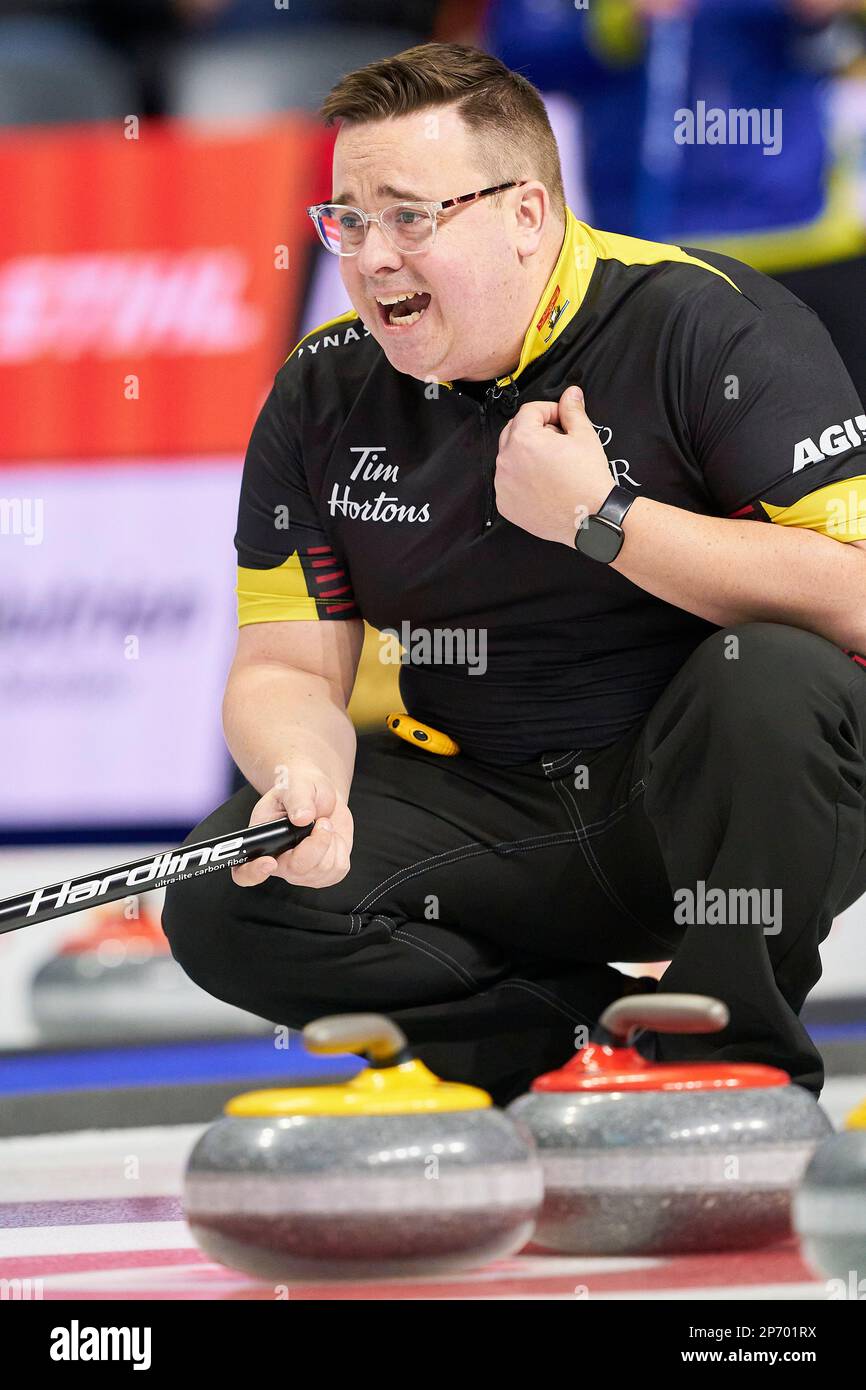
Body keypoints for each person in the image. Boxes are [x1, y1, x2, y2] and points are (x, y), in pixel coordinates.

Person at [162, 41, 866, 1106]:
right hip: (500, 803)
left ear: (526, 213)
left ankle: (735, 1064)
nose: (370, 256)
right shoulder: (321, 391)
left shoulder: (709, 323)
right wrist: (301, 776)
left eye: (408, 216)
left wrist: (604, 520)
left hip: (729, 799)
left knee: (765, 671)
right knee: (229, 892)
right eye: (345, 221)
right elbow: (284, 669)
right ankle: (585, 1052)